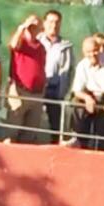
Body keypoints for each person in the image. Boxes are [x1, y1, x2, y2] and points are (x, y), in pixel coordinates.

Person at [68, 35, 104, 150]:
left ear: (99, 49)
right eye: (89, 52)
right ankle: (78, 138)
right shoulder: (82, 65)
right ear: (84, 52)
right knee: (77, 103)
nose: (92, 54)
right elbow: (77, 90)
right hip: (91, 97)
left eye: (95, 50)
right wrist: (87, 98)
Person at [5, 14, 48, 143]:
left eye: (36, 27)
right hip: (20, 91)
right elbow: (13, 45)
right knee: (12, 130)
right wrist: (22, 28)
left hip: (37, 93)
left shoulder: (41, 47)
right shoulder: (21, 42)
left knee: (30, 133)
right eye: (30, 27)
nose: (32, 29)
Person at [38, 10, 72, 143]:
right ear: (44, 23)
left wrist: (63, 91)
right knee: (33, 122)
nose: (54, 25)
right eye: (51, 21)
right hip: (37, 89)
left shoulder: (66, 46)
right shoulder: (36, 40)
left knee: (56, 125)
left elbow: (69, 70)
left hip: (55, 90)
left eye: (57, 22)